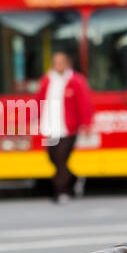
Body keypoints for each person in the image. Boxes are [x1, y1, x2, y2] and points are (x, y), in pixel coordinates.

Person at [37, 50, 93, 203]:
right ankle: (74, 179)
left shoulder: (76, 81)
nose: (58, 65)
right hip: (50, 126)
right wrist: (32, 118)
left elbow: (84, 103)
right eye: (56, 63)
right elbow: (39, 99)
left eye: (61, 62)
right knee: (52, 156)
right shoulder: (48, 80)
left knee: (61, 158)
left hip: (68, 127)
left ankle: (61, 192)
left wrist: (86, 123)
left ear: (68, 64)